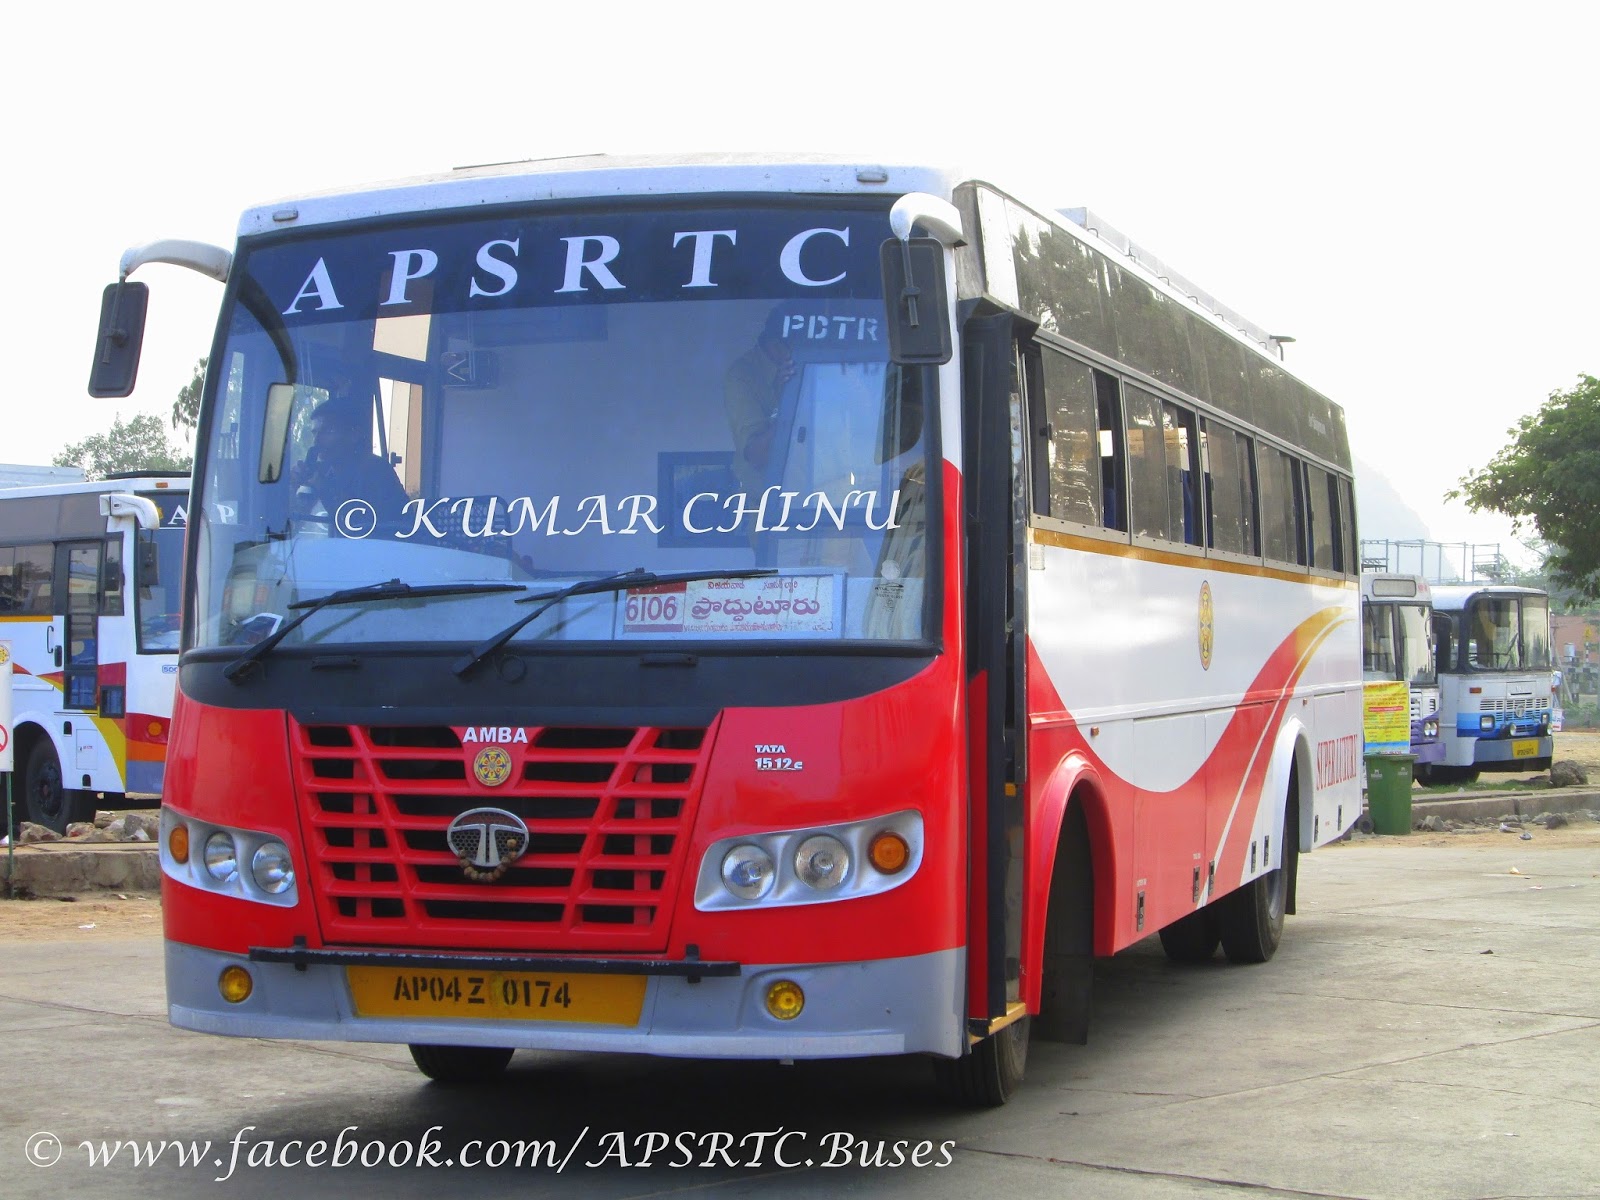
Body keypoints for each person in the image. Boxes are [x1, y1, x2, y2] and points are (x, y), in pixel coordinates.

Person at [293, 394, 409, 526]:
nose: (317, 441)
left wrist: (322, 486)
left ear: (354, 435)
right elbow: (291, 527)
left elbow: (358, 526)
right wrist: (294, 486)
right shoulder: (322, 472)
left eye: (328, 431)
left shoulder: (376, 471)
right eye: (315, 433)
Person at [723, 309, 796, 493]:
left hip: (822, 500)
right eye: (800, 349)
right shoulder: (742, 375)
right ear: (777, 346)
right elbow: (757, 456)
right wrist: (792, 398)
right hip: (765, 508)